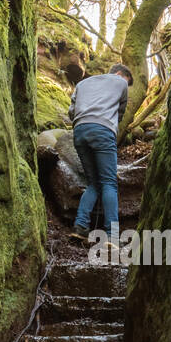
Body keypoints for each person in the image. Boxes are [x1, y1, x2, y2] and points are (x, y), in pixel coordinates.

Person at [67, 63, 134, 246]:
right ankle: (111, 236)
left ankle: (80, 227)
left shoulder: (82, 83)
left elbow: (71, 112)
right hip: (103, 132)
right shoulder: (120, 84)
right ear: (120, 74)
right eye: (127, 82)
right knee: (109, 183)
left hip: (79, 131)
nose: (125, 86)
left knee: (93, 183)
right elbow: (119, 114)